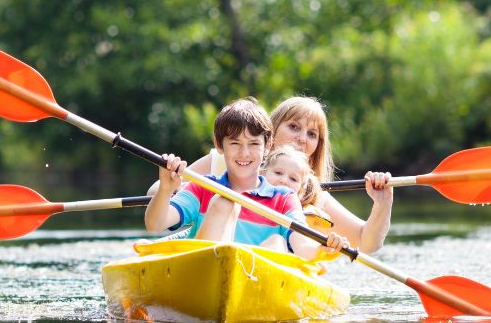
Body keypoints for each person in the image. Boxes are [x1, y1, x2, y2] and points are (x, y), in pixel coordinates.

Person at [144, 97, 347, 260]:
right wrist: (165, 189)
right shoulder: (203, 187)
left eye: (254, 144)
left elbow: (301, 244)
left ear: (268, 146)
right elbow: (154, 224)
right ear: (220, 145)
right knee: (224, 202)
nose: (244, 153)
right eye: (235, 143)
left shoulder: (284, 198)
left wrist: (322, 249)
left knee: (277, 242)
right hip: (203, 270)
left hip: (253, 279)